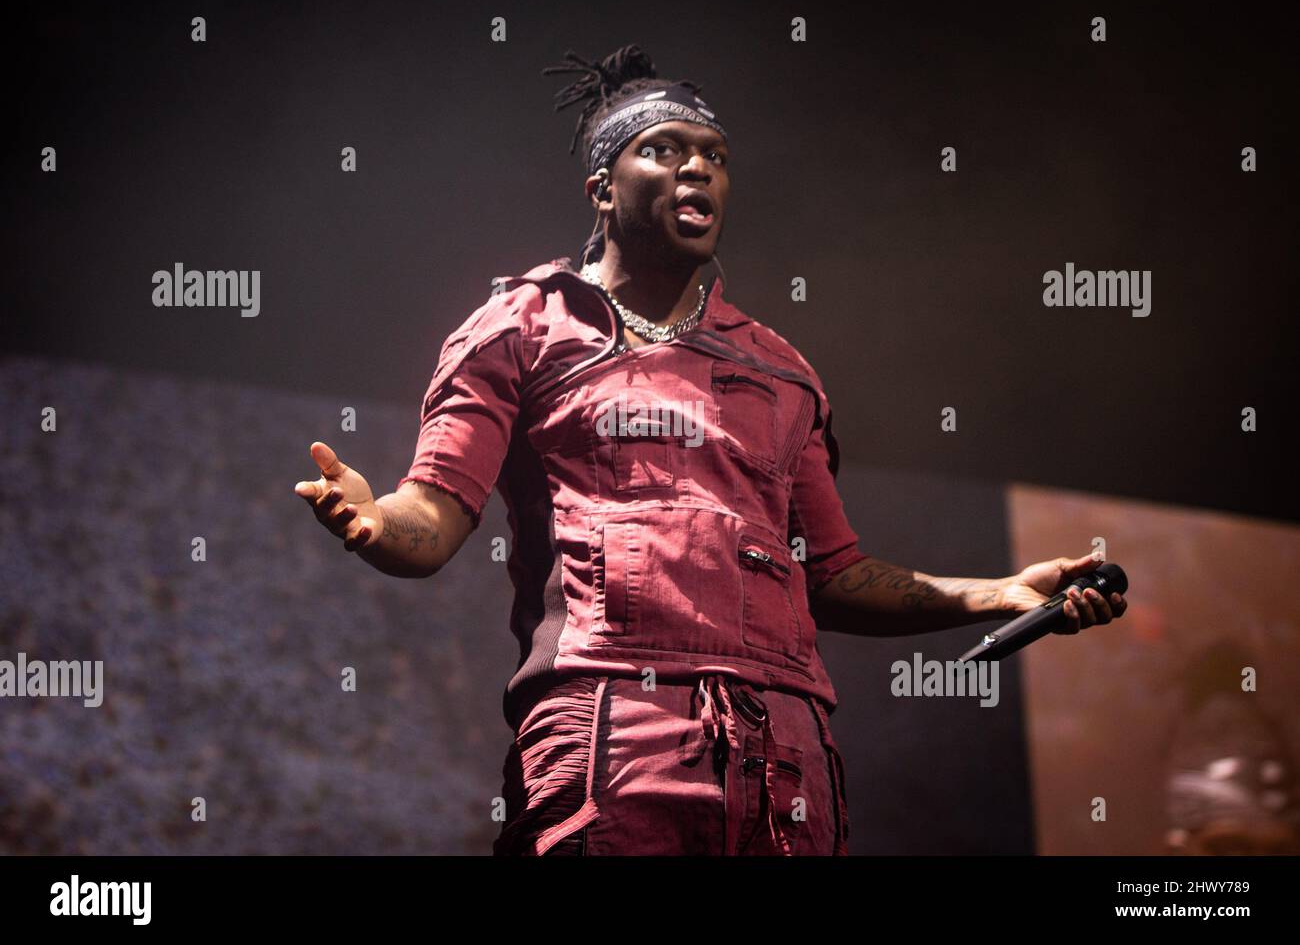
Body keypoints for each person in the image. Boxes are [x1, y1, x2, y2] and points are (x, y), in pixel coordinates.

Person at [292, 44, 1127, 855]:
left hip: (788, 749)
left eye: (715, 156)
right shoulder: (522, 326)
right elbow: (434, 513)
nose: (698, 170)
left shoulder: (780, 368)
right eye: (663, 151)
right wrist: (376, 522)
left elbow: (832, 575)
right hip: (611, 734)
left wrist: (1002, 593)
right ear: (602, 190)